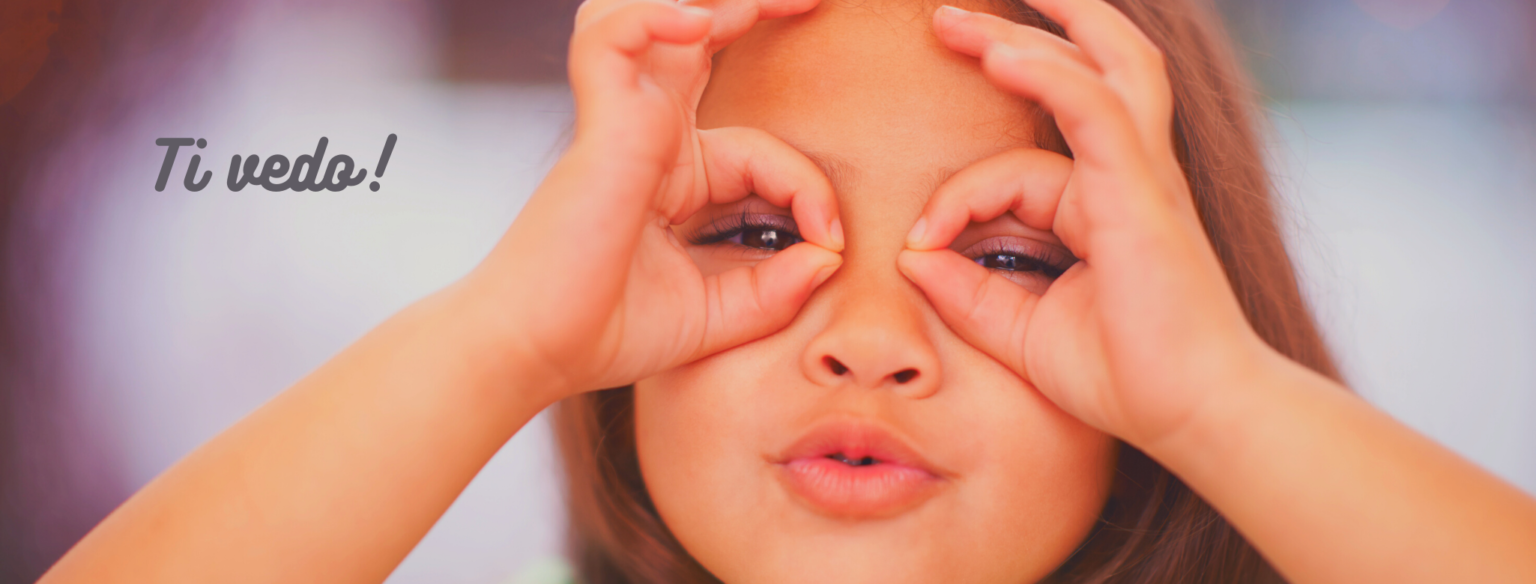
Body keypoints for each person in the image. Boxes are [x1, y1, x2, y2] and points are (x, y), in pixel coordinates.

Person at [37, 0, 1536, 582]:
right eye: (757, 232)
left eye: (1010, 257)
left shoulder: (1213, 401)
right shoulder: (532, 346)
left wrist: (1219, 398)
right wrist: (501, 340)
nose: (869, 346)